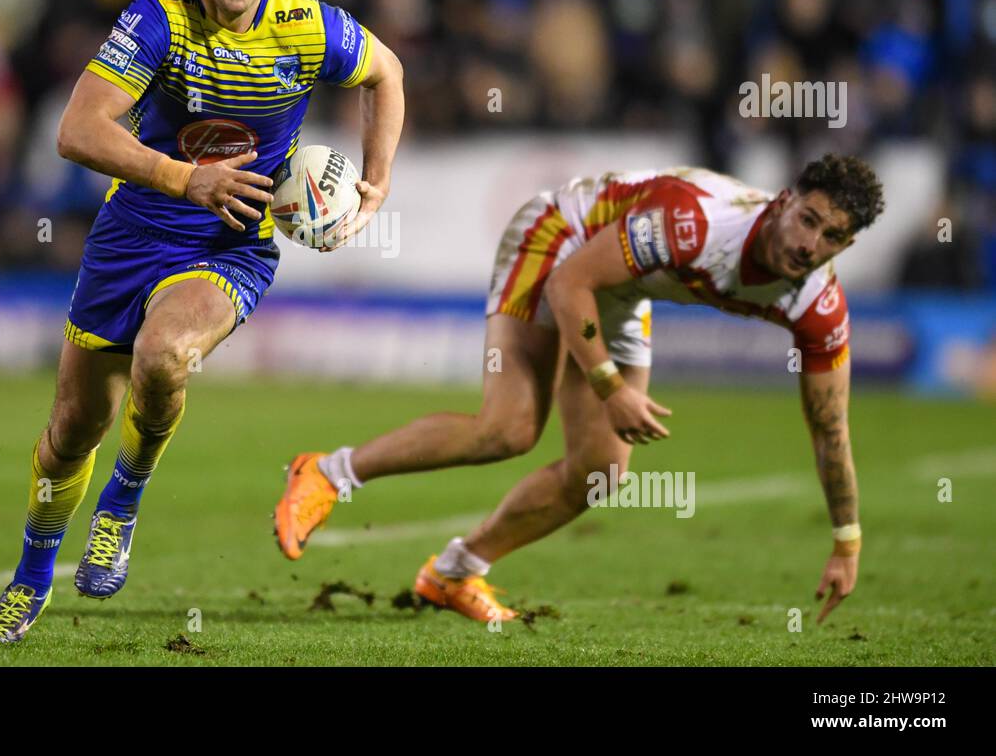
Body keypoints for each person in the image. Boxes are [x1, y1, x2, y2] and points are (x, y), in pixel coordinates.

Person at [0, 0, 404, 642]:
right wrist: (185, 178)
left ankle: (124, 500)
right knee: (72, 429)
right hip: (134, 233)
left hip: (229, 244)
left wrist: (374, 184)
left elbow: (387, 72)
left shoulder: (307, 27)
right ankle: (30, 580)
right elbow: (78, 131)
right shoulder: (156, 17)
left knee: (165, 357)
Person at [275, 156, 882, 625]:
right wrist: (609, 385)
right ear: (784, 202)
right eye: (807, 219)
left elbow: (830, 428)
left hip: (621, 284)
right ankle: (328, 473)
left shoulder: (819, 306)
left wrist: (846, 542)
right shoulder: (698, 222)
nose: (809, 244)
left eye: (831, 237)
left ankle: (455, 572)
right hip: (563, 240)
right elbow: (570, 284)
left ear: (845, 247)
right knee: (508, 428)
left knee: (601, 471)